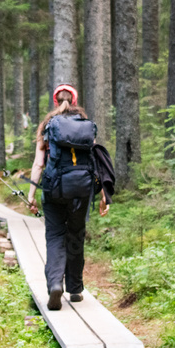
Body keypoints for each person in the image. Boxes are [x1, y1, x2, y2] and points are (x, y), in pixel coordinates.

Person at [27, 83, 109, 311]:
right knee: (76, 234)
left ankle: (55, 283)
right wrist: (104, 194)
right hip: (81, 191)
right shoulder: (85, 125)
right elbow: (96, 161)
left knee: (55, 236)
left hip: (53, 190)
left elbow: (38, 163)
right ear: (73, 101)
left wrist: (31, 195)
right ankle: (75, 289)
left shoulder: (48, 125)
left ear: (56, 101)